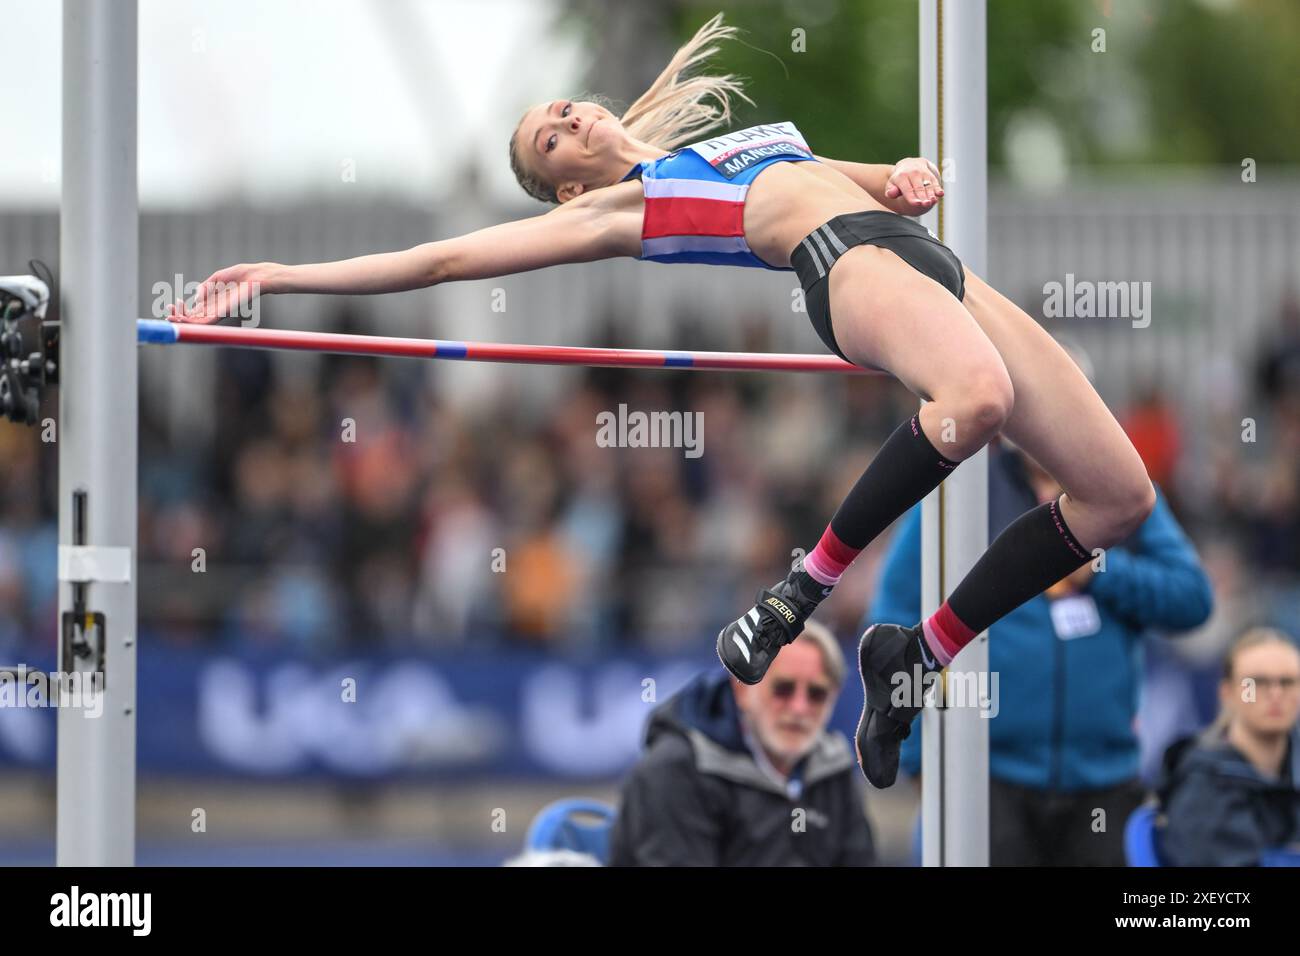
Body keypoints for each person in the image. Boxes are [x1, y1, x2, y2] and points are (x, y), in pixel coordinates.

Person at [167, 13, 1155, 788]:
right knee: (974, 398)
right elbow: (445, 256)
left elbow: (866, 186)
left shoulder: (744, 139)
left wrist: (900, 174)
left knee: (1118, 496)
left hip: (923, 259)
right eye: (550, 140)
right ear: (561, 189)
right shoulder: (618, 210)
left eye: (562, 108)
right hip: (843, 269)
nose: (569, 121)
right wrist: (285, 273)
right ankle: (798, 590)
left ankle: (918, 650)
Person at [865, 434, 1212, 865]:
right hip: (987, 777)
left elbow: (1193, 600)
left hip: (1105, 779)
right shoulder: (962, 489)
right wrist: (921, 759)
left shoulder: (1126, 490)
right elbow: (892, 623)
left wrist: (1100, 571)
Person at [608, 620, 874, 866]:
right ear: (742, 690)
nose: (799, 708)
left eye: (817, 694)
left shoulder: (833, 770)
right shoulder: (674, 770)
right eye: (783, 689)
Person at [1157, 627, 1300, 866]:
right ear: (1228, 692)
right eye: (1256, 683)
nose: (1275, 693)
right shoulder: (1204, 785)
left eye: (1287, 682)